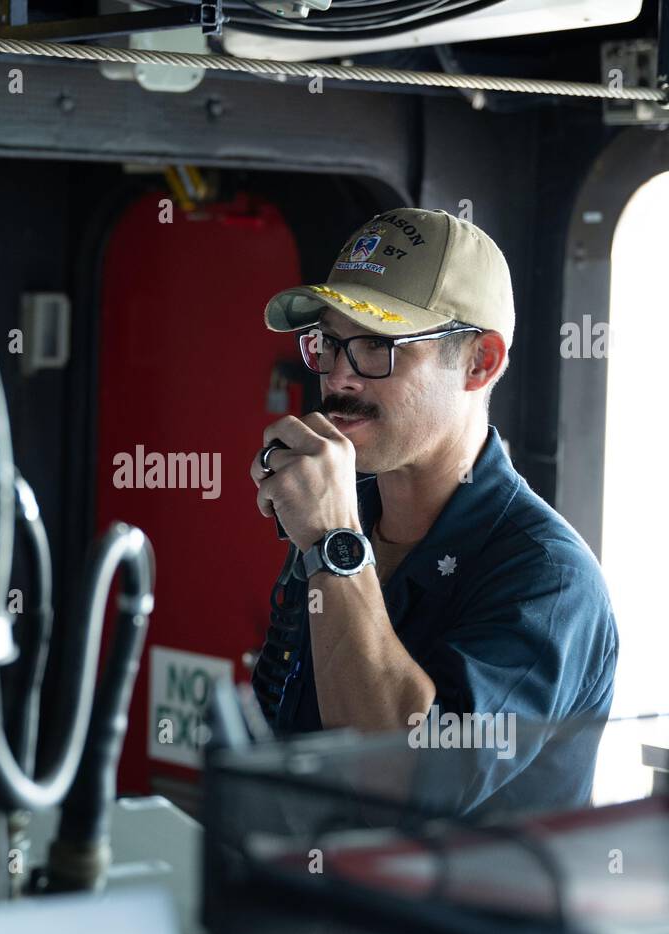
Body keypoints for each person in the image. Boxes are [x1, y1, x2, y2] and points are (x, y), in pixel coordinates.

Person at [251, 208, 618, 816]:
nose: (339, 374)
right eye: (330, 341)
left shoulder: (550, 579)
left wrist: (333, 543)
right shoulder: (351, 516)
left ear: (480, 363)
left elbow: (404, 781)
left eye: (376, 344)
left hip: (456, 912)